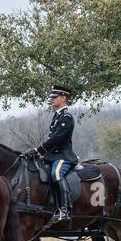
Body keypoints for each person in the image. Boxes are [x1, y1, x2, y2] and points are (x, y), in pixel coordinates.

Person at [30, 84, 78, 223]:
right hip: (54, 155)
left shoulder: (67, 117)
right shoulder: (58, 115)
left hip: (64, 155)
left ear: (63, 98)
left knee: (56, 174)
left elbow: (57, 139)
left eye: (54, 97)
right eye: (51, 97)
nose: (51, 100)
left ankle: (65, 209)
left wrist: (38, 149)